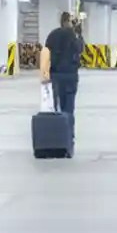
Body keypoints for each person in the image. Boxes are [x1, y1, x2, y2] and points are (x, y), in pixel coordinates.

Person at [40, 11, 85, 147]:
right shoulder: (73, 35)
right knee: (69, 107)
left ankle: (56, 137)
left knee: (55, 107)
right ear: (69, 22)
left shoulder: (52, 35)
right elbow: (80, 49)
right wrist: (79, 35)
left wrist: (44, 75)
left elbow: (45, 54)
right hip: (70, 76)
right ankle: (68, 137)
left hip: (55, 75)